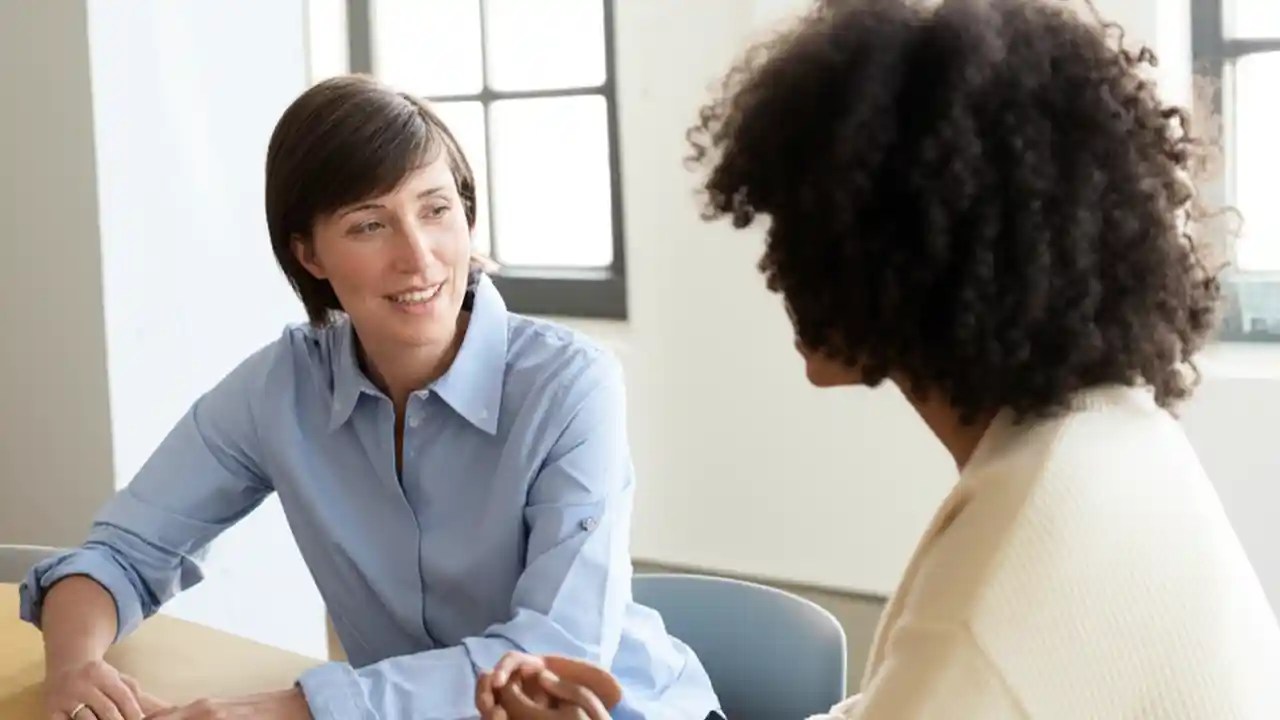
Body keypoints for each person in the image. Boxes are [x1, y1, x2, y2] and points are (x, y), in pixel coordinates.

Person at [478, 0, 1280, 717]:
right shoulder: (1108, 438)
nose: (779, 269)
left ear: (898, 255)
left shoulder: (997, 592)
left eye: (798, 230)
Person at [19, 74, 720, 720]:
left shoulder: (570, 386)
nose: (417, 256)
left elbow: (549, 661)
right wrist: (75, 666)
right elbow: (122, 551)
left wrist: (273, 711)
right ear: (311, 255)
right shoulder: (280, 388)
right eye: (368, 224)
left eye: (436, 210)